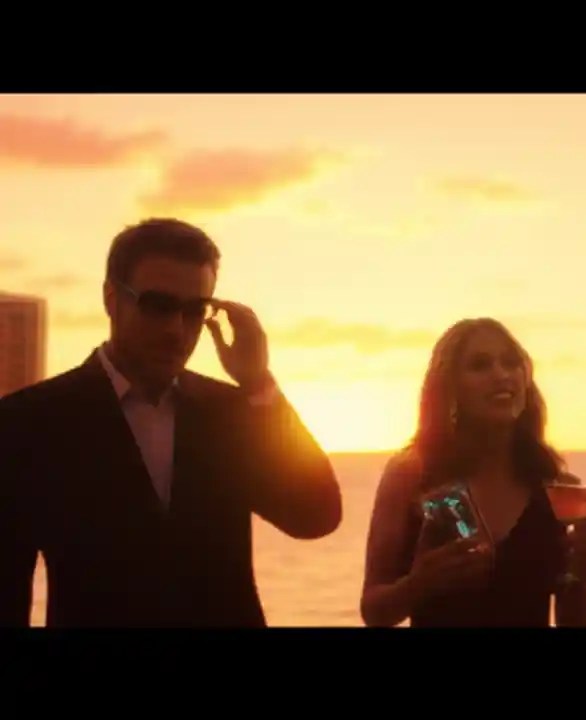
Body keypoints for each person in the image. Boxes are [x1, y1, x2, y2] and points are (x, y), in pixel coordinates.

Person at [0, 218, 342, 627]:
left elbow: (315, 515)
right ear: (111, 299)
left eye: (195, 310)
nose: (177, 330)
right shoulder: (29, 422)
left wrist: (260, 386)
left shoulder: (230, 412)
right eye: (157, 306)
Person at [360, 318, 586, 627]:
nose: (501, 375)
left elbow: (575, 621)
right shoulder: (412, 476)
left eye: (511, 363)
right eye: (480, 365)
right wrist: (419, 583)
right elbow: (374, 611)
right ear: (449, 388)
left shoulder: (555, 488)